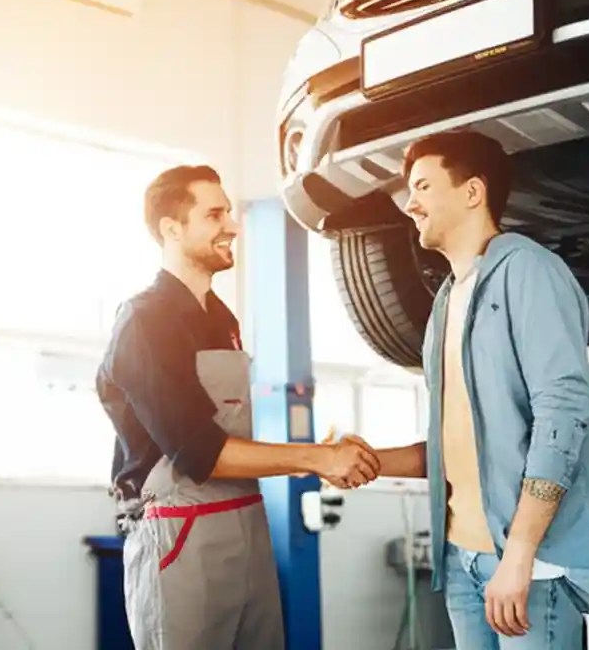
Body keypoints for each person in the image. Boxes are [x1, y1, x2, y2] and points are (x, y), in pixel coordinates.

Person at [95, 163, 380, 650]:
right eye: (215, 214)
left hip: (245, 518)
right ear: (172, 228)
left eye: (229, 211)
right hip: (180, 533)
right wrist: (316, 459)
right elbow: (199, 452)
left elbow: (230, 435)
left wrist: (321, 457)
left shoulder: (220, 317)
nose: (232, 225)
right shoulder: (145, 321)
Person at [368, 131, 589, 648]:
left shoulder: (528, 271)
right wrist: (366, 461)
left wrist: (521, 553)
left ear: (472, 192)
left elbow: (563, 416)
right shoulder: (447, 301)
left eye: (422, 186)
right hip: (463, 559)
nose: (410, 204)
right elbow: (461, 444)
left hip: (530, 564)